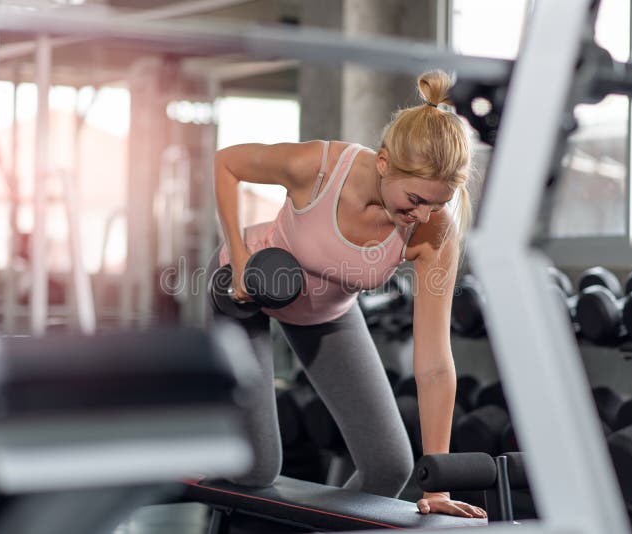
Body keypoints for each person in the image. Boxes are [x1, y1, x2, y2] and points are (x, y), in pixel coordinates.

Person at [208, 70, 486, 519]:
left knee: (389, 466)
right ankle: (200, 438)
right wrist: (239, 260)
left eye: (440, 203)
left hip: (327, 312)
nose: (424, 214)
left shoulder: (433, 233)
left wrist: (439, 485)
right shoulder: (317, 168)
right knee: (259, 467)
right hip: (249, 290)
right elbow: (227, 162)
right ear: (382, 163)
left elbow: (435, 363)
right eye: (416, 198)